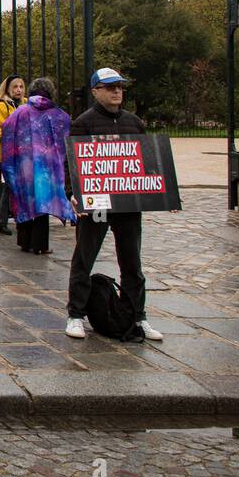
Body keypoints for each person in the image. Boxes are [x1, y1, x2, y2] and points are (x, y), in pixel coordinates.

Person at [64, 68, 163, 342]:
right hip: (96, 202)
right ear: (95, 91)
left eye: (119, 87)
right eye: (110, 87)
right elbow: (71, 162)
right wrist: (73, 193)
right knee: (84, 258)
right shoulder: (83, 123)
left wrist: (162, 194)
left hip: (128, 204)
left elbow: (147, 162)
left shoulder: (134, 122)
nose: (116, 92)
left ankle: (137, 316)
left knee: (132, 262)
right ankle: (76, 314)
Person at [0, 77, 74, 255]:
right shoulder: (58, 115)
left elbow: (6, 130)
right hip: (48, 167)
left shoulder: (20, 112)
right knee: (44, 202)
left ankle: (25, 242)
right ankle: (40, 244)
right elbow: (66, 138)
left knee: (24, 199)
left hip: (24, 165)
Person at [0, 73, 26, 235]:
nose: (18, 90)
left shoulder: (26, 104)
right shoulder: (1, 107)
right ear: (8, 89)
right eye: (15, 87)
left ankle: (13, 219)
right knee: (10, 188)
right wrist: (15, 132)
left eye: (21, 86)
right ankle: (4, 220)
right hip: (9, 155)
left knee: (17, 188)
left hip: (25, 154)